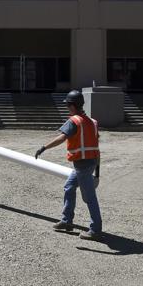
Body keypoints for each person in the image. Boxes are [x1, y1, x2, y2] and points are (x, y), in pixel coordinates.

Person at [34, 89, 102, 241]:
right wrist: (97, 170)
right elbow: (96, 146)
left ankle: (96, 230)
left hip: (83, 165)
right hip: (89, 162)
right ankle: (67, 221)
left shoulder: (74, 121)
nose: (67, 108)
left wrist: (44, 147)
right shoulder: (92, 121)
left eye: (67, 105)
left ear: (72, 106)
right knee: (69, 187)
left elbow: (62, 138)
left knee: (89, 197)